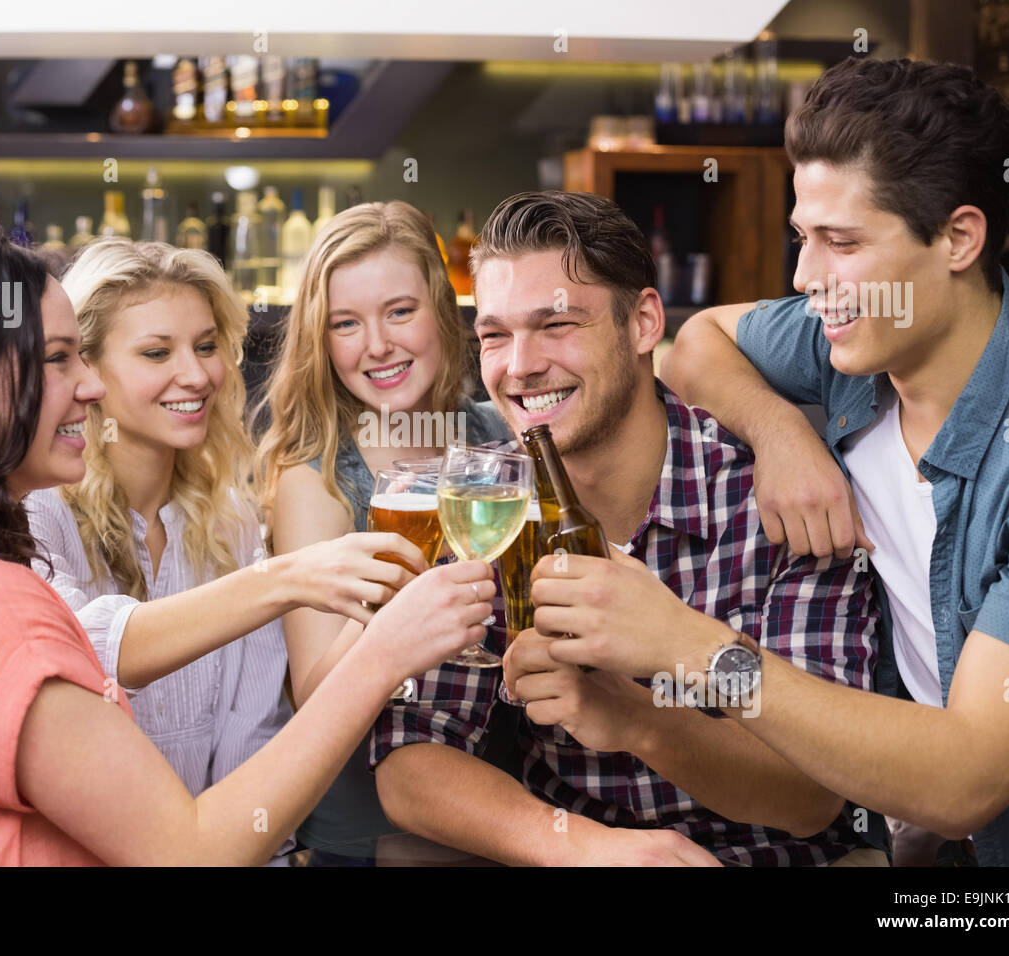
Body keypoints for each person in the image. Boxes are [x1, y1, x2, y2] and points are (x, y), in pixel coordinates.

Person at [0, 229, 495, 866]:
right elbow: (187, 854)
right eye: (58, 360)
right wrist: (377, 653)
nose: (91, 387)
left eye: (205, 346)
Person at [371, 190, 884, 866]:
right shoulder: (483, 505)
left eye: (556, 324)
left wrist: (638, 720)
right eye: (495, 334)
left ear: (643, 323)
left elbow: (815, 795)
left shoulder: (774, 499)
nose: (519, 366)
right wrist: (582, 849)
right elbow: (412, 754)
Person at [659, 57, 1009, 867]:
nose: (807, 279)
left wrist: (682, 645)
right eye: (803, 238)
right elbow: (692, 345)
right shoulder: (855, 338)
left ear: (958, 237)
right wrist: (780, 433)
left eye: (841, 242)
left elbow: (969, 779)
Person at [24, 239, 431, 861]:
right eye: (157, 352)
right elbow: (86, 650)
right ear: (86, 368)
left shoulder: (228, 521)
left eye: (207, 346)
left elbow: (255, 743)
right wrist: (291, 578)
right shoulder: (35, 511)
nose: (196, 375)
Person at [254, 200, 512, 856]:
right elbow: (317, 696)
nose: (377, 346)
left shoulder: (495, 433)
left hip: (501, 807)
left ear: (442, 307)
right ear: (321, 338)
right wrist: (401, 589)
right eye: (346, 323)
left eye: (400, 311)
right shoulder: (316, 478)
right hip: (370, 836)